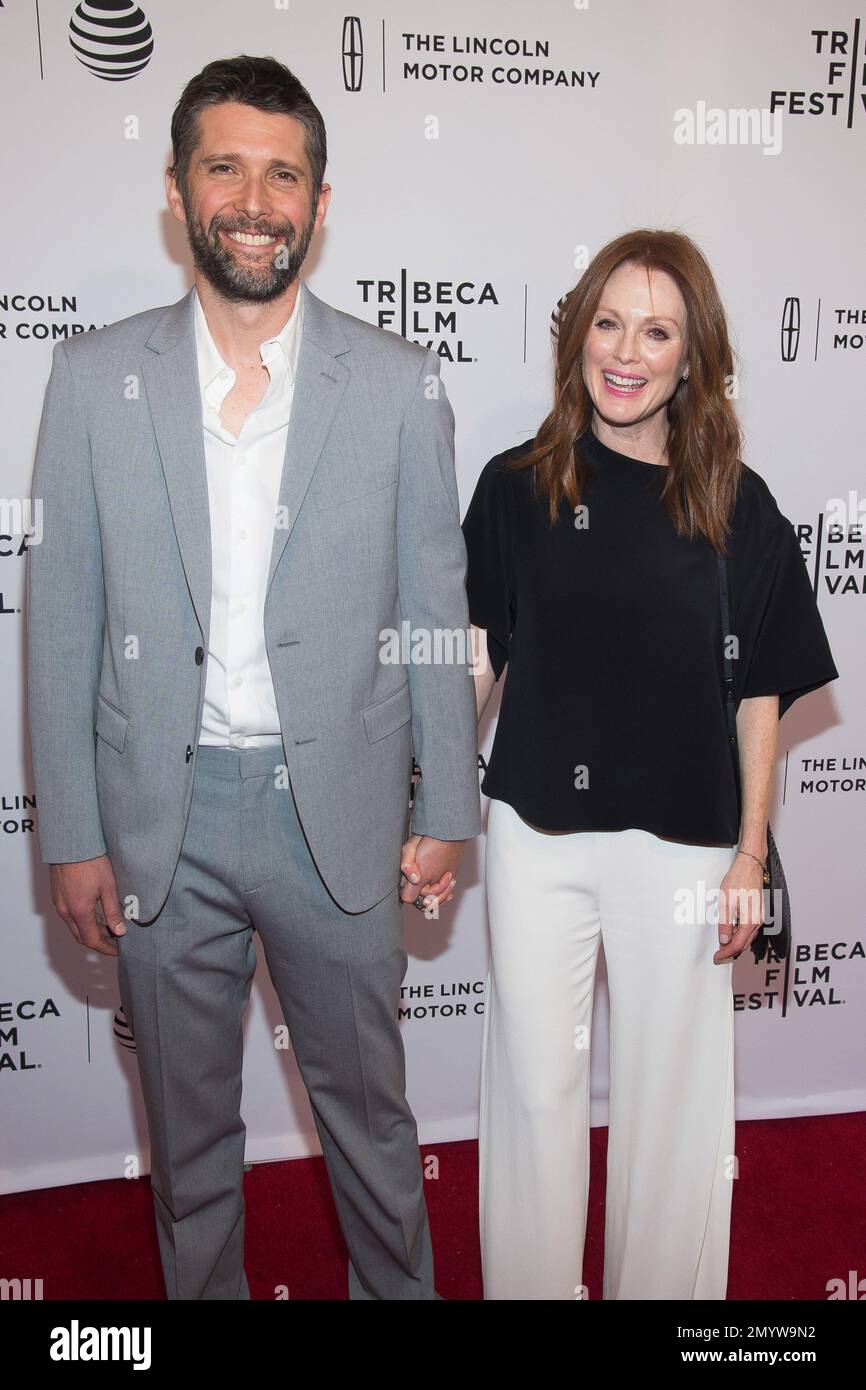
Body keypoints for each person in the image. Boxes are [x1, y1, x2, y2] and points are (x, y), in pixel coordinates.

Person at [26, 54, 480, 1301]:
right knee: (187, 1146)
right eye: (224, 166)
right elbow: (61, 618)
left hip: (335, 819)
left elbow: (433, 608)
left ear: (320, 205)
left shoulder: (396, 385)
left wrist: (447, 804)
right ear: (177, 191)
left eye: (284, 174)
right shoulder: (89, 381)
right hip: (157, 821)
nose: (254, 198)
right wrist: (69, 827)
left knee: (374, 1135)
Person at [460, 229, 838, 1300]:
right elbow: (481, 661)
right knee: (533, 1097)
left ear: (691, 357)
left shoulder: (736, 505)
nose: (625, 351)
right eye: (608, 322)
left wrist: (747, 856)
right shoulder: (514, 486)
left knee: (671, 1112)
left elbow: (759, 685)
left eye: (656, 330)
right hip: (535, 837)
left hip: (682, 850)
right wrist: (433, 795)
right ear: (578, 334)